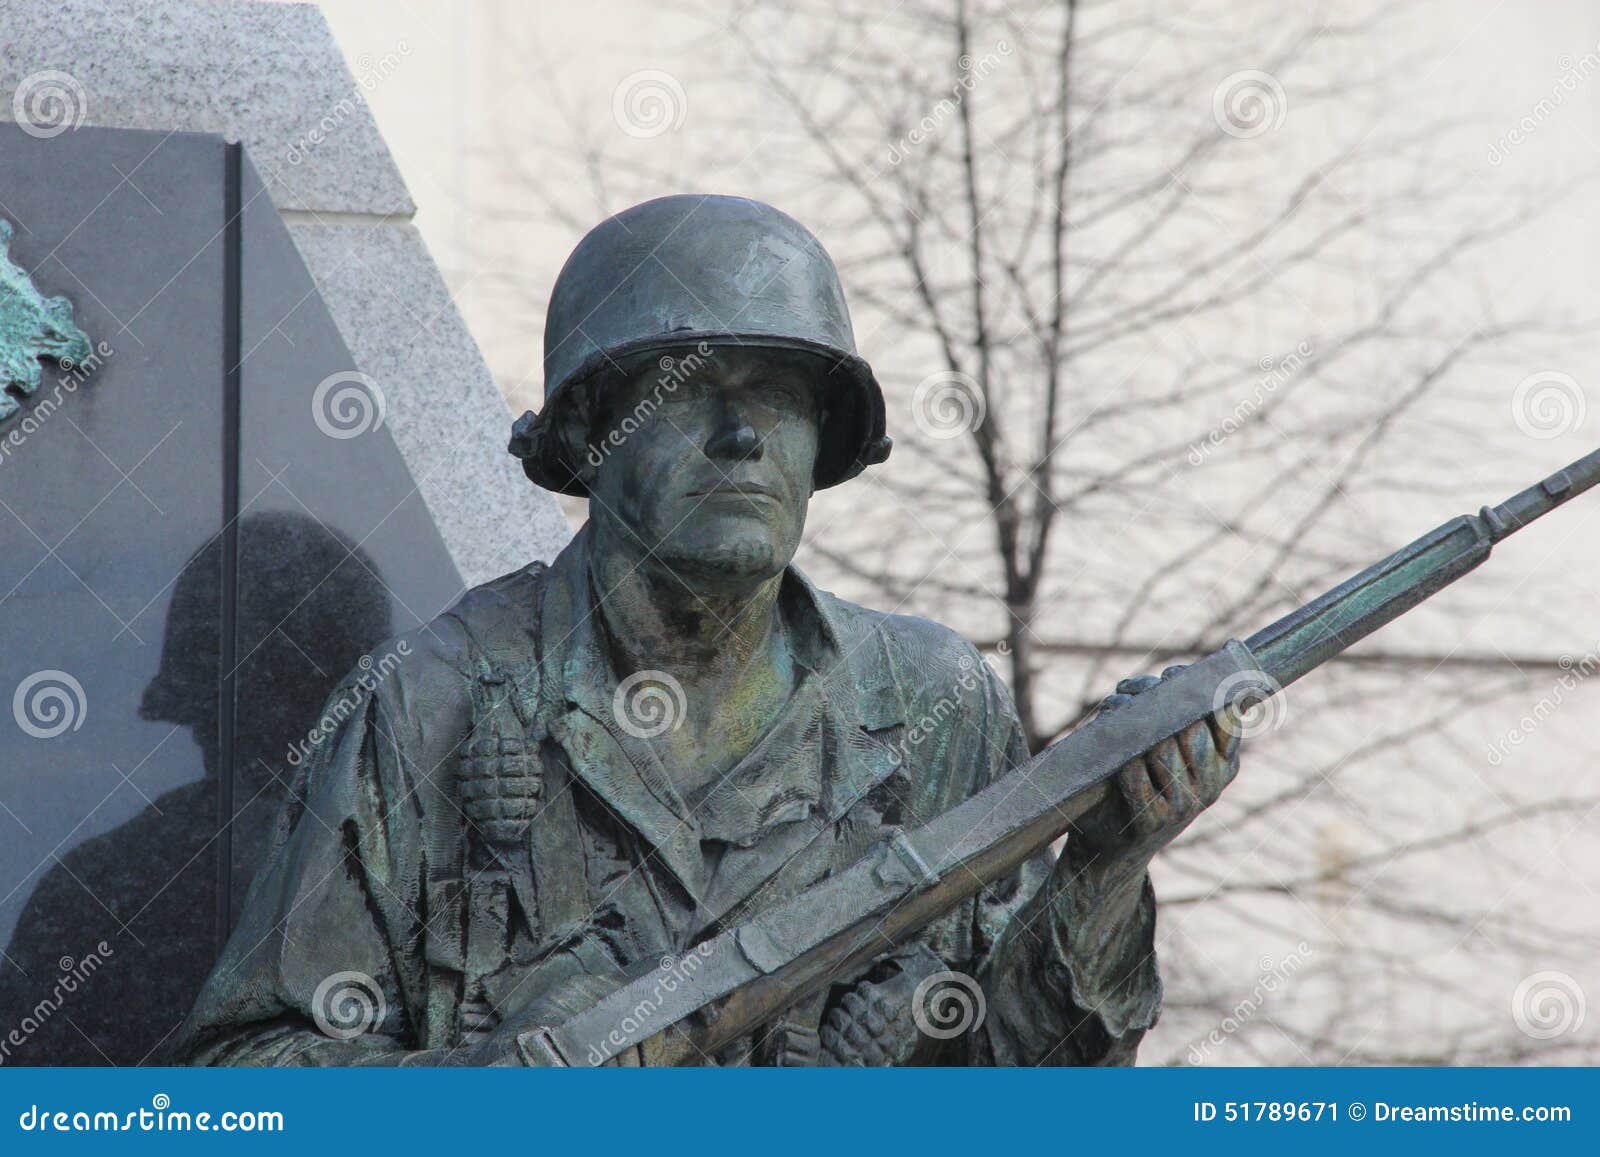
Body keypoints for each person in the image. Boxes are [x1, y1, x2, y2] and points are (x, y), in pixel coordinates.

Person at [175, 195, 1238, 1066]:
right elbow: (241, 1076)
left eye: (776, 395)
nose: (740, 436)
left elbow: (1027, 1088)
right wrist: (481, 1095)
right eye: (690, 390)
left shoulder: (932, 699)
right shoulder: (432, 699)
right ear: (590, 431)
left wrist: (1103, 866)